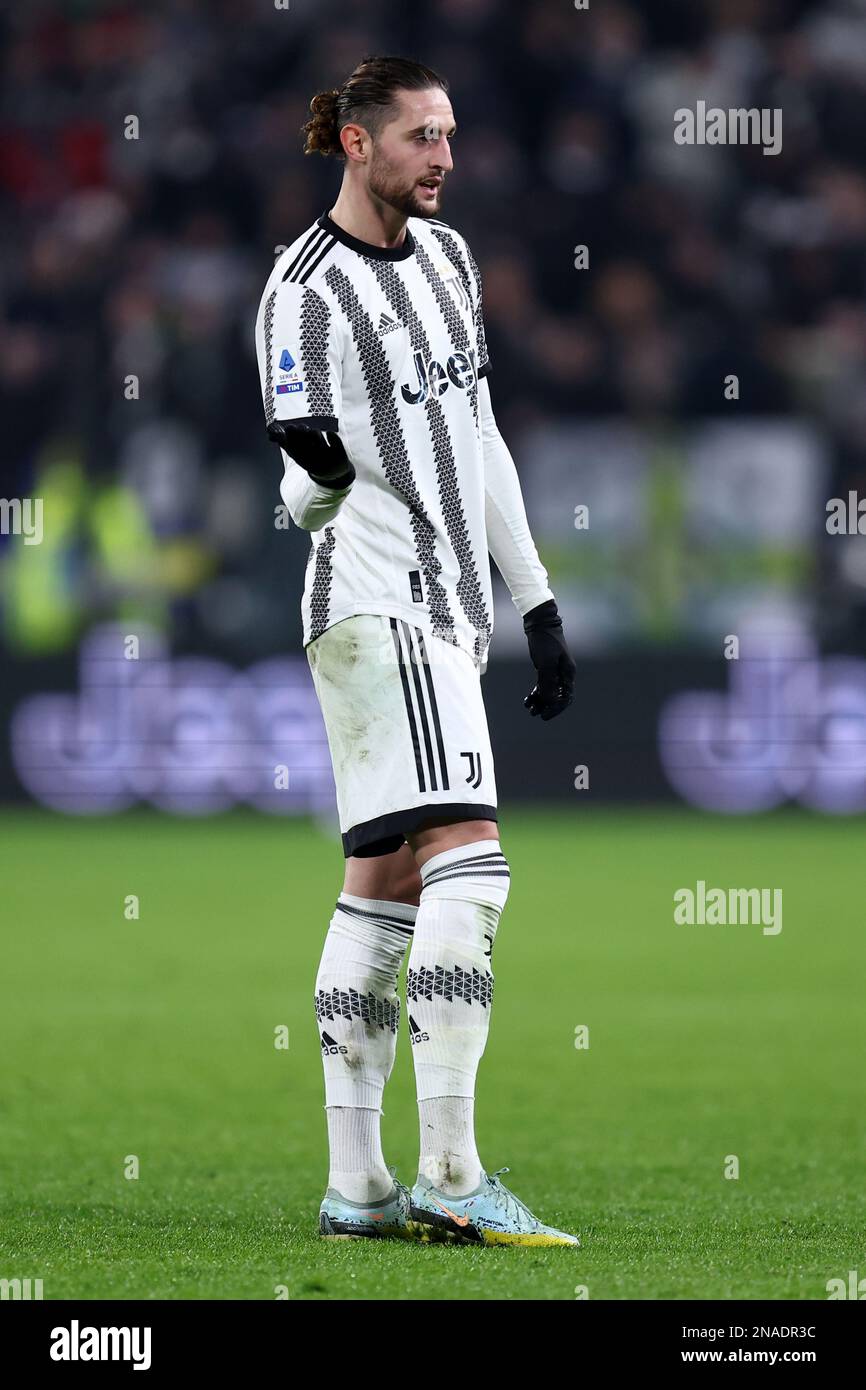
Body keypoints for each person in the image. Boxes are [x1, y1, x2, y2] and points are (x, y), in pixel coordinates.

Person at [254, 54, 578, 1246]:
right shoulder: (301, 290)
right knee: (473, 867)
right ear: (355, 143)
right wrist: (318, 473)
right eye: (420, 137)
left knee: (382, 885)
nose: (443, 156)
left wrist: (533, 598)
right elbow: (302, 470)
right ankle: (452, 1171)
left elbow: (475, 427)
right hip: (374, 601)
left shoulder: (446, 259)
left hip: (448, 608)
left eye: (450, 134)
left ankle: (361, 1188)